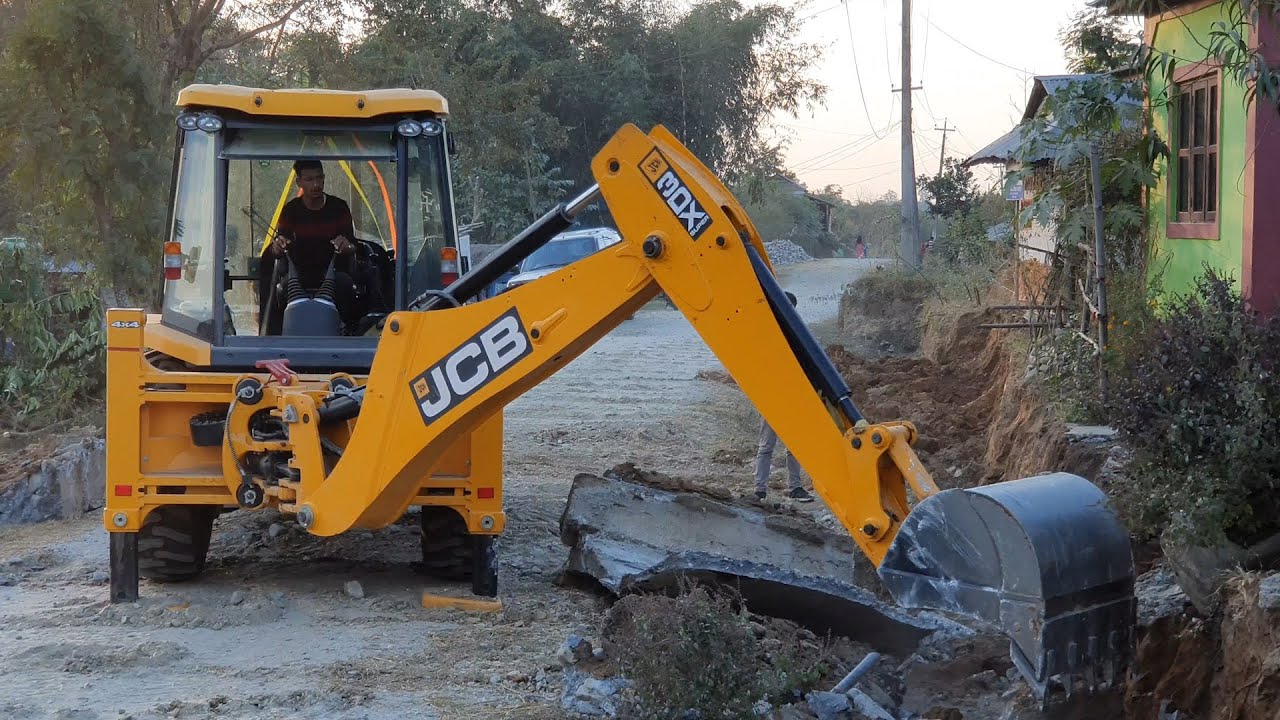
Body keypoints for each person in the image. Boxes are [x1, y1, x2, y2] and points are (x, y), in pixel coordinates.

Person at [259, 159, 381, 332]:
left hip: (336, 274)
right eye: (309, 179)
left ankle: (348, 332)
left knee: (346, 285)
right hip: (297, 276)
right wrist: (277, 248)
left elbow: (352, 244)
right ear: (299, 182)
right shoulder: (290, 210)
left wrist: (347, 247)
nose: (316, 184)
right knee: (281, 287)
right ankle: (273, 334)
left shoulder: (339, 207)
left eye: (319, 178)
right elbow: (280, 244)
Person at [753, 290, 814, 503]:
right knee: (769, 446)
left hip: (788, 396)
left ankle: (781, 488)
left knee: (785, 447)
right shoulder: (768, 334)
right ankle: (762, 489)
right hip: (774, 397)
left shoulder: (791, 333)